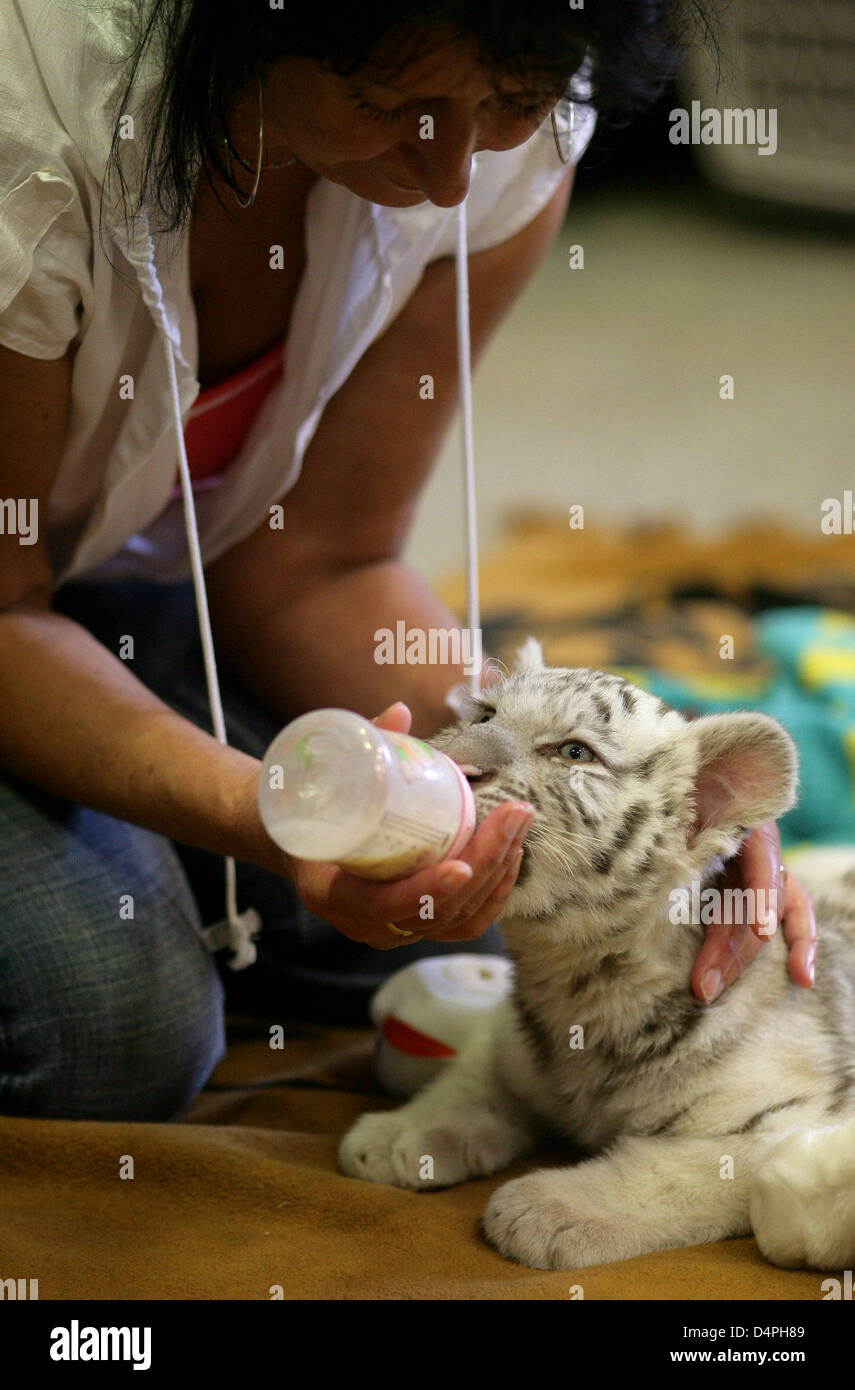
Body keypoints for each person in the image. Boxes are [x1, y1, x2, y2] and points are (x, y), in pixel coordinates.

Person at [0, 0, 816, 1122]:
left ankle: (140, 839)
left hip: (123, 583)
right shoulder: (28, 134)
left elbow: (321, 563)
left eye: (505, 108)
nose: (447, 175)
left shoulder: (503, 135)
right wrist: (273, 814)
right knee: (111, 1029)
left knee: (515, 905)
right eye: (390, 106)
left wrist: (658, 793)